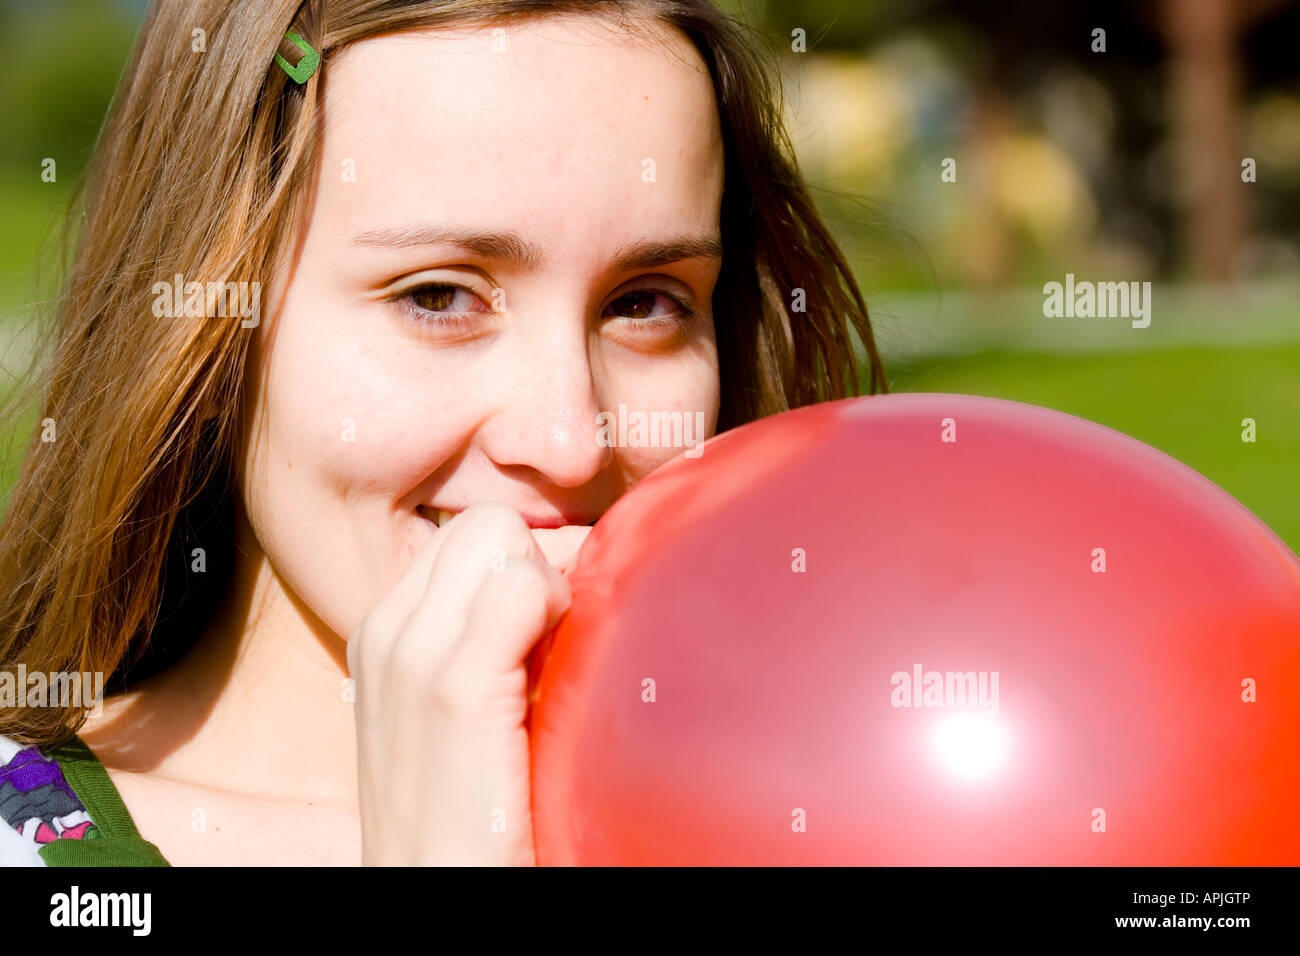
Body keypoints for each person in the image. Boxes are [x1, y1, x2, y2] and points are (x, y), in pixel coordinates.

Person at [0, 0, 886, 866]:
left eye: (645, 302)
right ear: (209, 323)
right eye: (437, 296)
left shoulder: (833, 809)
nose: (571, 439)